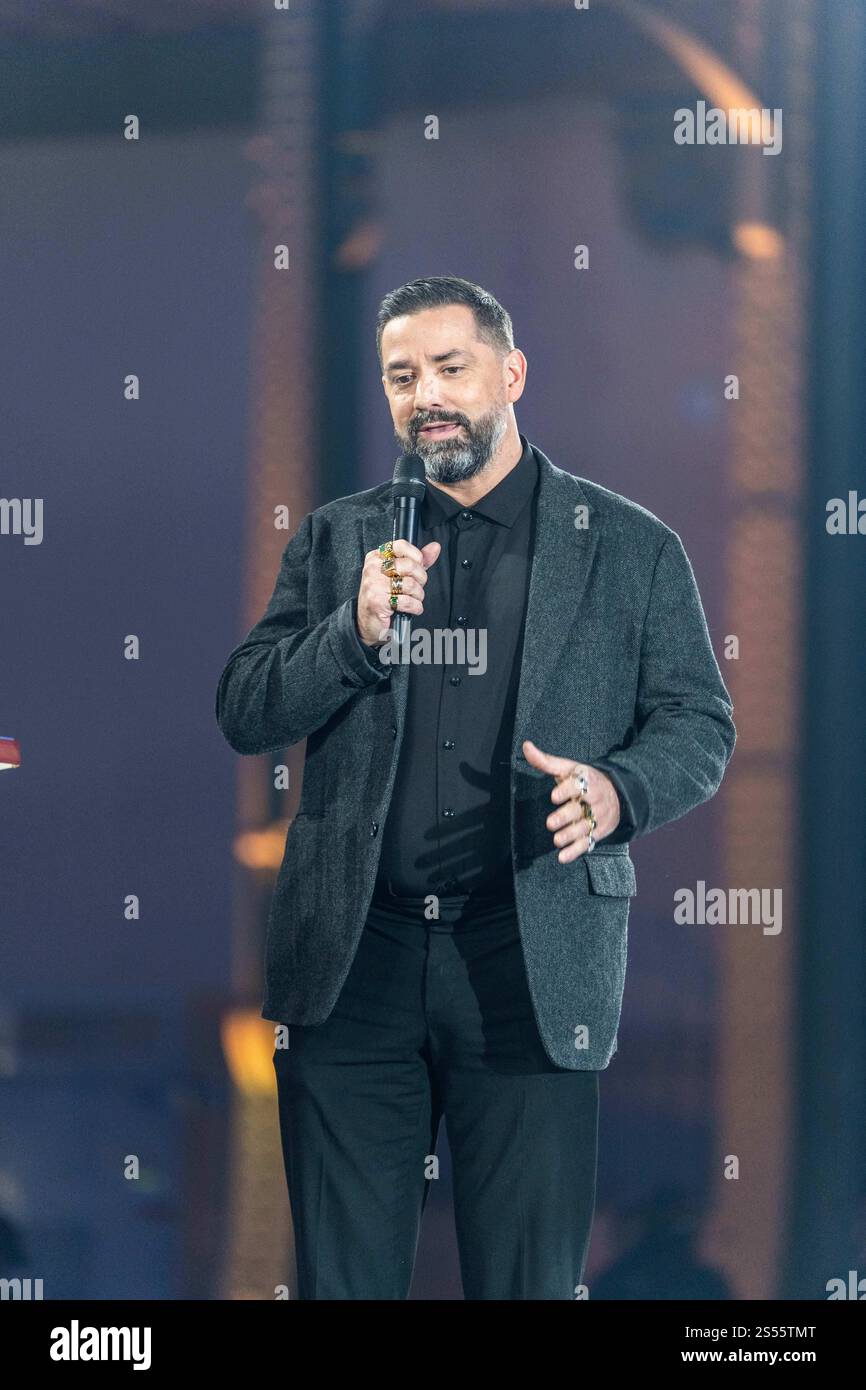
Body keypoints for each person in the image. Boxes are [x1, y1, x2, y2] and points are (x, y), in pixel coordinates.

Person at [215, 275, 736, 1299]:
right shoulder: (338, 539)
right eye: (401, 377)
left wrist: (618, 790)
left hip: (527, 953)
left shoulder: (628, 547)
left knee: (526, 1283)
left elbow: (698, 720)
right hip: (353, 960)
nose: (426, 396)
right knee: (340, 1282)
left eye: (449, 368)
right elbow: (245, 706)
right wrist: (350, 634)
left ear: (511, 372)